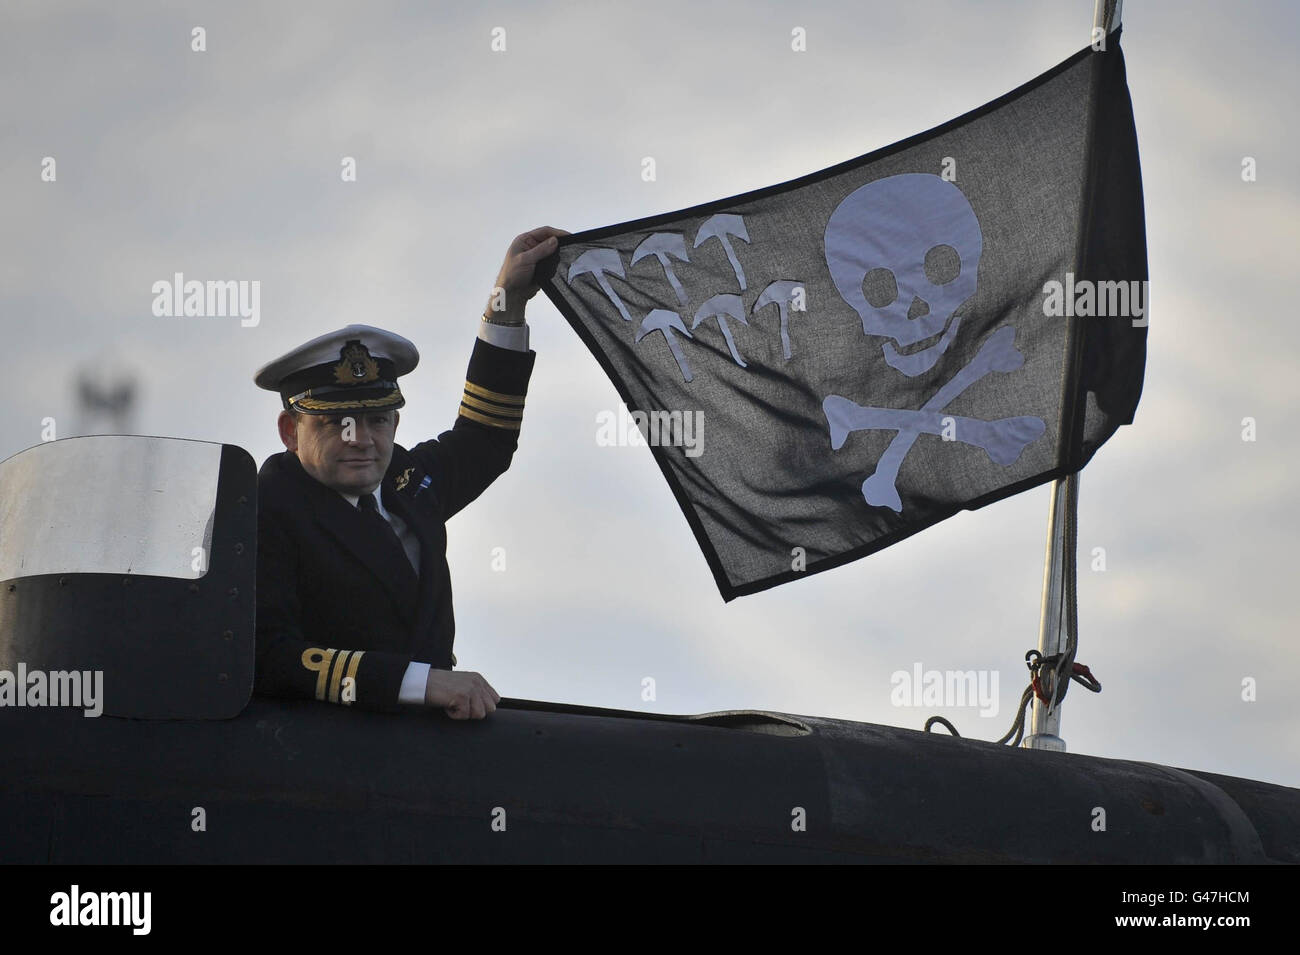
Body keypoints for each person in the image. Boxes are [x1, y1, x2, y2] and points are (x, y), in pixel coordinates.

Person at [251, 226, 567, 719]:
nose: (361, 439)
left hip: (425, 755)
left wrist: (506, 304)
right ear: (290, 431)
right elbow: (266, 656)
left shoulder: (405, 480)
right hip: (322, 762)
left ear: (395, 423)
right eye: (338, 423)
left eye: (377, 420)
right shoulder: (261, 510)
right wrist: (420, 683)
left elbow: (485, 439)